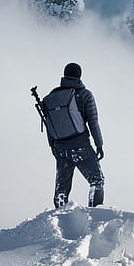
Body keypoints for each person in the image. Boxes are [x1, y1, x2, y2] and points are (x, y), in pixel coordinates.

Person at [47, 62, 105, 209]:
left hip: (60, 148)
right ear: (79, 75)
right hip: (80, 146)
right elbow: (93, 122)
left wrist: (53, 146)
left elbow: (49, 124)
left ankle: (59, 214)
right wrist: (99, 145)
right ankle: (95, 212)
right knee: (96, 180)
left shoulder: (53, 95)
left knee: (62, 186)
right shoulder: (85, 94)